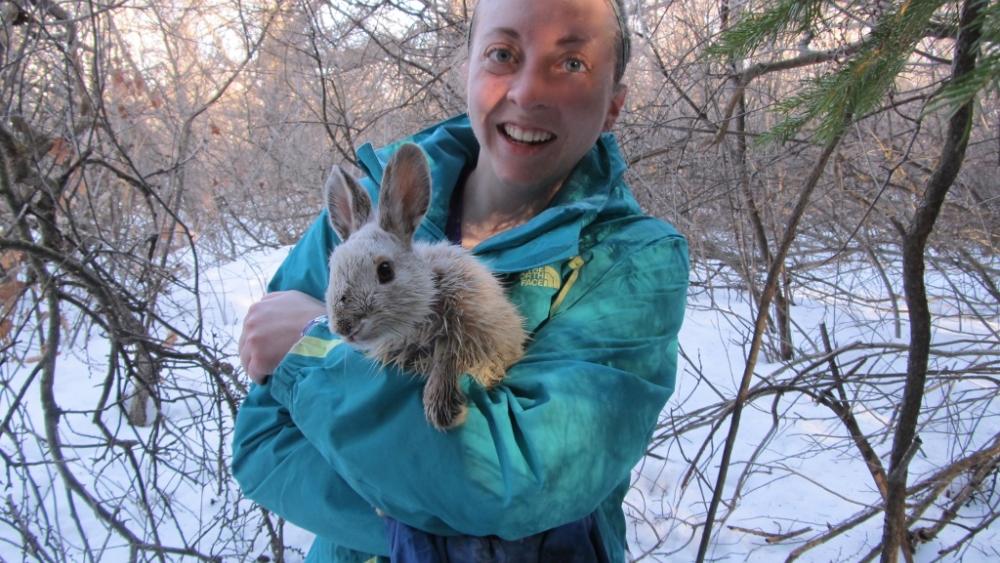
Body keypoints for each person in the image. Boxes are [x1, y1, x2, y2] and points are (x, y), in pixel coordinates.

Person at [232, 0, 689, 561]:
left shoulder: (631, 261)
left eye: (571, 63)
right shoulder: (361, 227)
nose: (527, 92)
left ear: (615, 102)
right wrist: (450, 528)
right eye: (503, 54)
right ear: (466, 69)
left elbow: (519, 484)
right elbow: (264, 447)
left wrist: (315, 348)